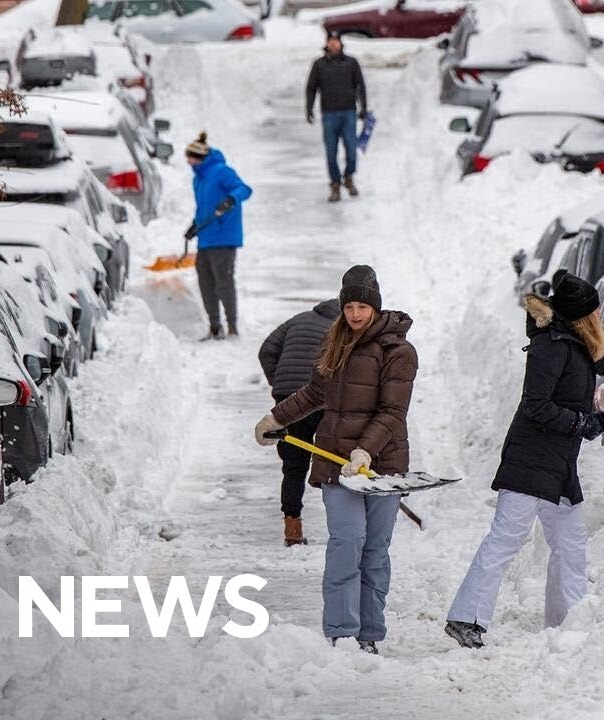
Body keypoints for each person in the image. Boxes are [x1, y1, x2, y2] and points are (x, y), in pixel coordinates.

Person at [443, 270, 604, 649]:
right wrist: (581, 422)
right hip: (530, 459)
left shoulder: (578, 343)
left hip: (559, 462)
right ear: (581, 317)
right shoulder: (551, 347)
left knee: (570, 542)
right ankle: (466, 617)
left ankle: (570, 620)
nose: (600, 319)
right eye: (595, 314)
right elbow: (535, 405)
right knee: (507, 538)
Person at [254, 266, 417, 654]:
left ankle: (370, 635)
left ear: (375, 307)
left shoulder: (399, 351)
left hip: (382, 468)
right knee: (347, 542)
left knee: (374, 552)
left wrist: (366, 450)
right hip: (336, 464)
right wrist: (276, 418)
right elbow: (314, 393)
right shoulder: (335, 343)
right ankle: (342, 632)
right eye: (350, 307)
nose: (356, 314)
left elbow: (393, 412)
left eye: (363, 306)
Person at [258, 298, 343, 547]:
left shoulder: (298, 319)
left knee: (294, 464)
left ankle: (292, 526)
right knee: (336, 458)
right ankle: (344, 526)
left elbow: (266, 350)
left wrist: (281, 384)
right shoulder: (341, 330)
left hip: (288, 398)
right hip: (321, 397)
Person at [184, 132, 253, 340]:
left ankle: (232, 326)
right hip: (206, 237)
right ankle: (215, 326)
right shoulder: (198, 178)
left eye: (191, 157)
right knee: (205, 283)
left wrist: (231, 199)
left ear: (200, 157)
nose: (188, 161)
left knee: (224, 282)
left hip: (224, 236)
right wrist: (194, 226)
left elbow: (244, 189)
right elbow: (203, 209)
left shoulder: (222, 171)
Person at [305, 32, 367, 203]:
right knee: (331, 152)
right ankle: (334, 183)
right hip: (329, 114)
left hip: (348, 113)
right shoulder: (319, 65)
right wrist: (309, 109)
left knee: (351, 150)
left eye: (336, 42)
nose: (333, 45)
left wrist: (363, 108)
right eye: (331, 42)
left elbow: (360, 86)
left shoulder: (351, 63)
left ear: (340, 44)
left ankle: (348, 177)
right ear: (327, 44)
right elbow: (311, 88)